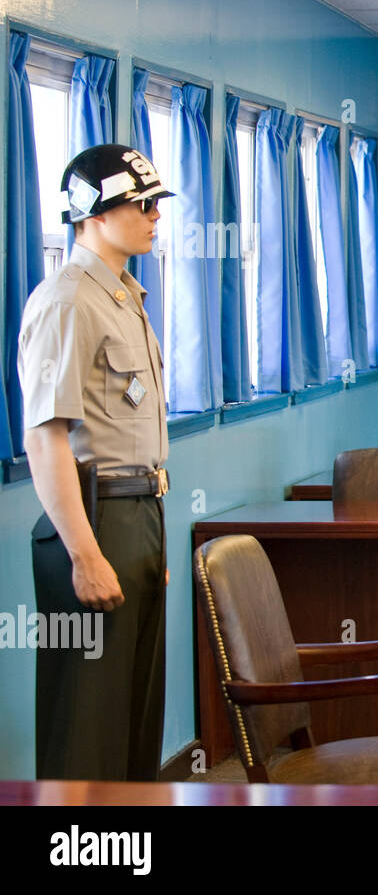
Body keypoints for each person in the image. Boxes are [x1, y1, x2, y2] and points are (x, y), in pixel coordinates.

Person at [17, 143, 173, 780]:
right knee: (86, 722)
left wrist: (150, 543)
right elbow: (45, 435)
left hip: (138, 515)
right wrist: (86, 554)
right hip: (95, 518)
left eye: (156, 203)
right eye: (141, 203)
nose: (154, 215)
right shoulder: (67, 301)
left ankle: (127, 848)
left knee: (135, 718)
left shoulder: (124, 296)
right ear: (93, 214)